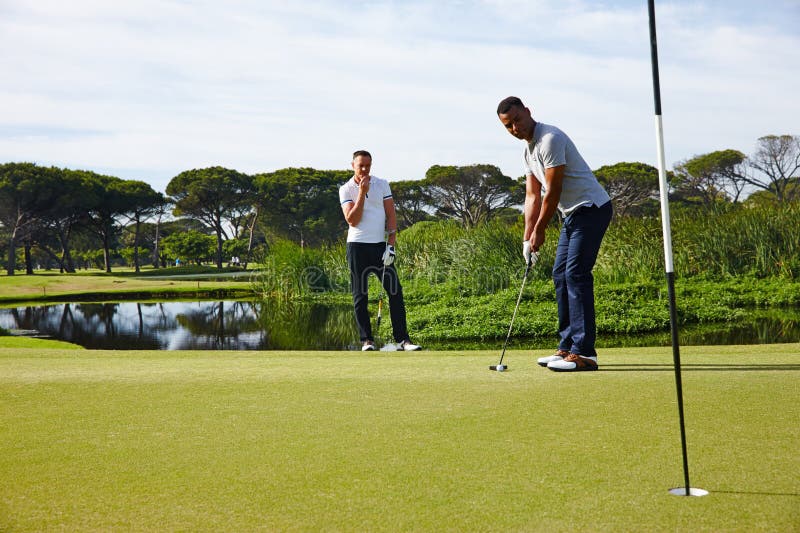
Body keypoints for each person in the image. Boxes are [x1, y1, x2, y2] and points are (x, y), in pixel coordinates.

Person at [497, 96, 612, 372]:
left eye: (517, 120)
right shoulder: (527, 152)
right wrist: (528, 237)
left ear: (528, 112)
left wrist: (540, 230)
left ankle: (585, 353)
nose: (515, 128)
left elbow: (554, 191)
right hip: (572, 214)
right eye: (508, 126)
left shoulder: (550, 139)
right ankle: (567, 347)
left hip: (592, 208)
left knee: (576, 274)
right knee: (560, 274)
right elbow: (532, 196)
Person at [339, 150, 421, 351]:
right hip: (357, 247)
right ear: (353, 166)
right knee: (360, 295)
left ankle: (403, 340)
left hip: (380, 247)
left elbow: (391, 214)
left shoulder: (382, 184)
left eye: (368, 165)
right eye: (361, 166)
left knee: (395, 292)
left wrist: (391, 245)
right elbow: (352, 219)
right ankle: (367, 340)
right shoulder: (346, 189)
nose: (365, 169)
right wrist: (361, 192)